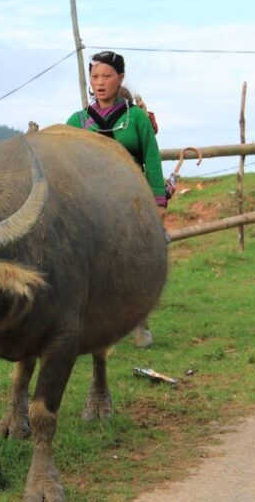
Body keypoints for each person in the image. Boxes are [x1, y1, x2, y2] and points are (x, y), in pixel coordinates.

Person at [66, 51, 165, 348]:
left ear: (120, 78)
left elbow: (152, 159)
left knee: (131, 263)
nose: (100, 82)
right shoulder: (77, 121)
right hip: (90, 204)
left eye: (106, 76)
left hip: (130, 203)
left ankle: (139, 320)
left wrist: (158, 202)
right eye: (95, 76)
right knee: (91, 266)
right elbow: (65, 163)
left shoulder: (136, 119)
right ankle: (95, 328)